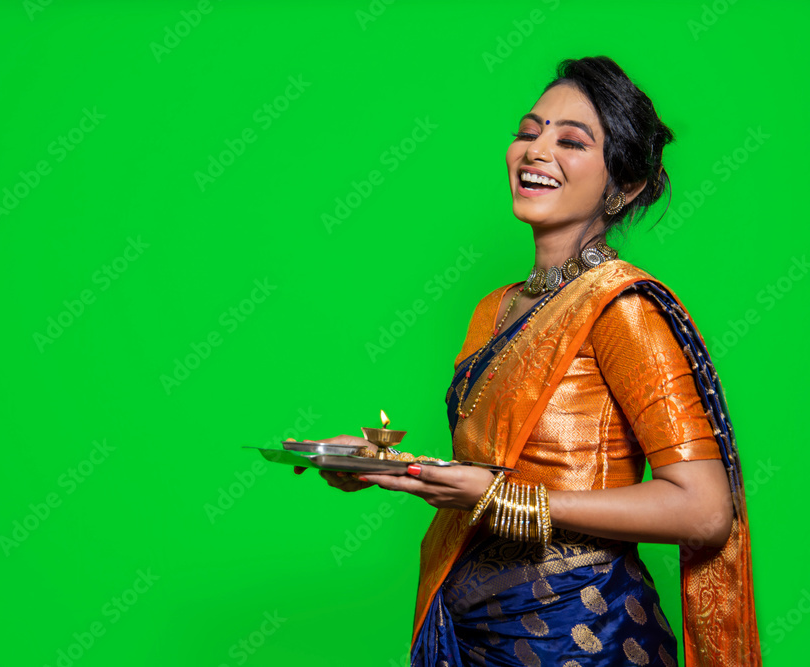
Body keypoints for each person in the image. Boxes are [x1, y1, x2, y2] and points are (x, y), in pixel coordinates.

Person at [297, 56, 760, 666]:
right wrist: (385, 464)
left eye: (572, 141)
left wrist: (508, 501)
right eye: (528, 131)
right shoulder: (494, 308)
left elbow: (703, 510)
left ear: (624, 187)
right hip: (473, 626)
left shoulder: (621, 308)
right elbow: (487, 476)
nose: (536, 151)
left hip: (583, 632)